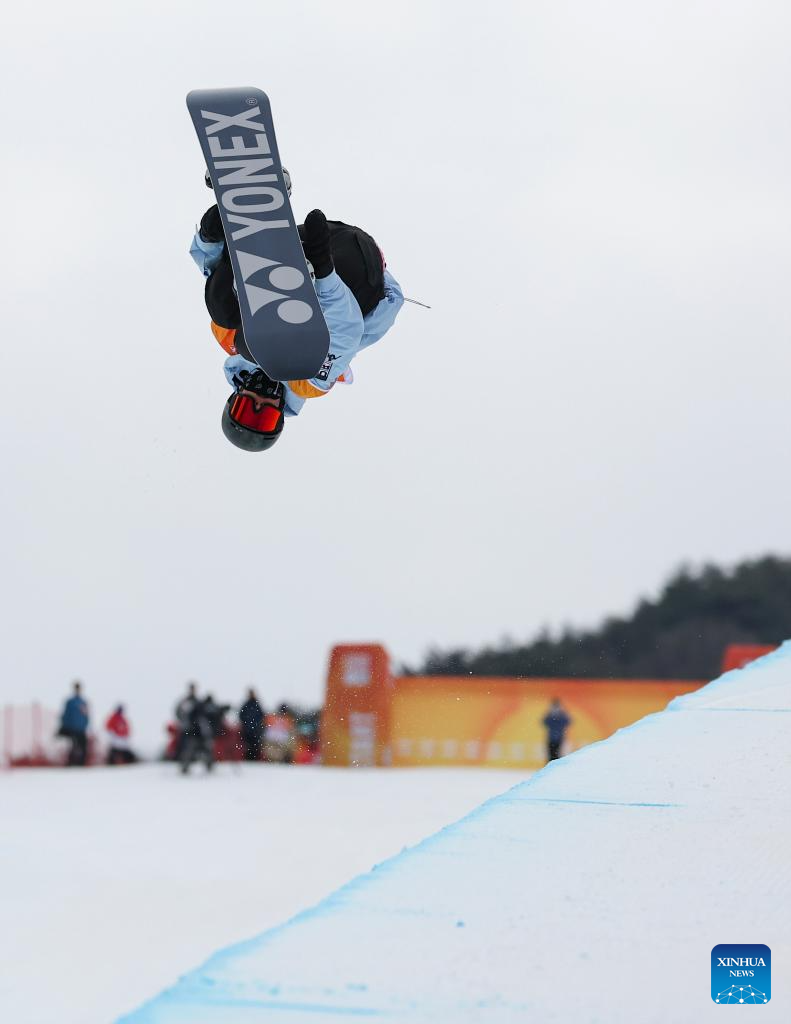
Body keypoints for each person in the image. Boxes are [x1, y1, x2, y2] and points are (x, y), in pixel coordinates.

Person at [189, 169, 404, 452]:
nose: (259, 401)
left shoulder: (231, 342)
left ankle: (252, 215)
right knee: (290, 356)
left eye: (246, 408)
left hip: (312, 242)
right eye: (264, 415)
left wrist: (210, 237)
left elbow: (210, 273)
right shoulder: (309, 383)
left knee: (224, 316)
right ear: (279, 414)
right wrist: (325, 272)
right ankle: (304, 279)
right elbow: (345, 330)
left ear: (235, 397)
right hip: (357, 275)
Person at [59, 681, 90, 766]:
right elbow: (65, 715)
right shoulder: (70, 702)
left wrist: (86, 725)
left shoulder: (83, 702)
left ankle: (82, 763)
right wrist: (65, 726)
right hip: (72, 728)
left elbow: (86, 716)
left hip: (81, 729)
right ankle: (71, 763)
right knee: (73, 746)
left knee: (83, 746)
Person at [238, 689, 265, 762]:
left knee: (255, 745)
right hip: (248, 729)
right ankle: (248, 759)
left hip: (254, 730)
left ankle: (254, 759)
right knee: (247, 745)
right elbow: (241, 715)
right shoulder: (248, 704)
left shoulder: (256, 704)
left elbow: (261, 716)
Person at [542, 698, 572, 762]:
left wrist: (560, 714)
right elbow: (544, 722)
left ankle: (556, 768)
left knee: (558, 754)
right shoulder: (550, 714)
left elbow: (568, 722)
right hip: (551, 737)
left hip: (559, 737)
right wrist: (550, 714)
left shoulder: (562, 714)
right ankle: (550, 768)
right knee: (550, 754)